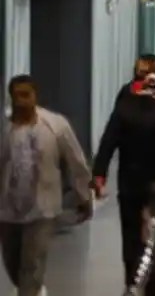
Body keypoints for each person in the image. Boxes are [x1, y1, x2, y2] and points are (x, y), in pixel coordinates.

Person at [93, 73, 155, 296]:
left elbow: (107, 144)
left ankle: (132, 281)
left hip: (130, 183)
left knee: (130, 235)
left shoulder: (122, 113)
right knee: (153, 237)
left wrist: (99, 175)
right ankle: (151, 288)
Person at [0, 76, 94, 296]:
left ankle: (31, 290)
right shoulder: (6, 129)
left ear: (35, 96)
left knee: (32, 264)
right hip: (8, 210)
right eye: (16, 96)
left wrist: (84, 195)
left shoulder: (55, 125)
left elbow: (76, 162)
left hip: (43, 209)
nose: (21, 101)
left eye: (26, 95)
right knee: (13, 264)